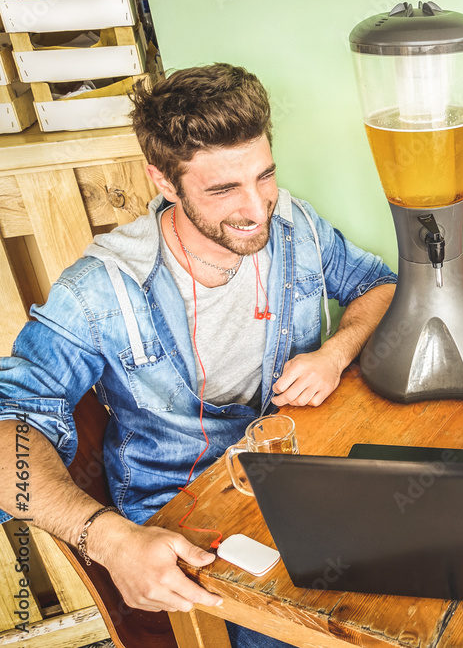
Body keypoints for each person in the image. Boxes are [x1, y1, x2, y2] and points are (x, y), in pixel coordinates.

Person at [0, 64, 396, 647]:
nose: (258, 208)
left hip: (303, 479)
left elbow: (378, 284)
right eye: (222, 190)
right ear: (163, 181)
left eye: (264, 177)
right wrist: (108, 540)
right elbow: (7, 427)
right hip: (187, 519)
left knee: (420, 577)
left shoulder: (296, 225)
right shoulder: (98, 290)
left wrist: (335, 354)